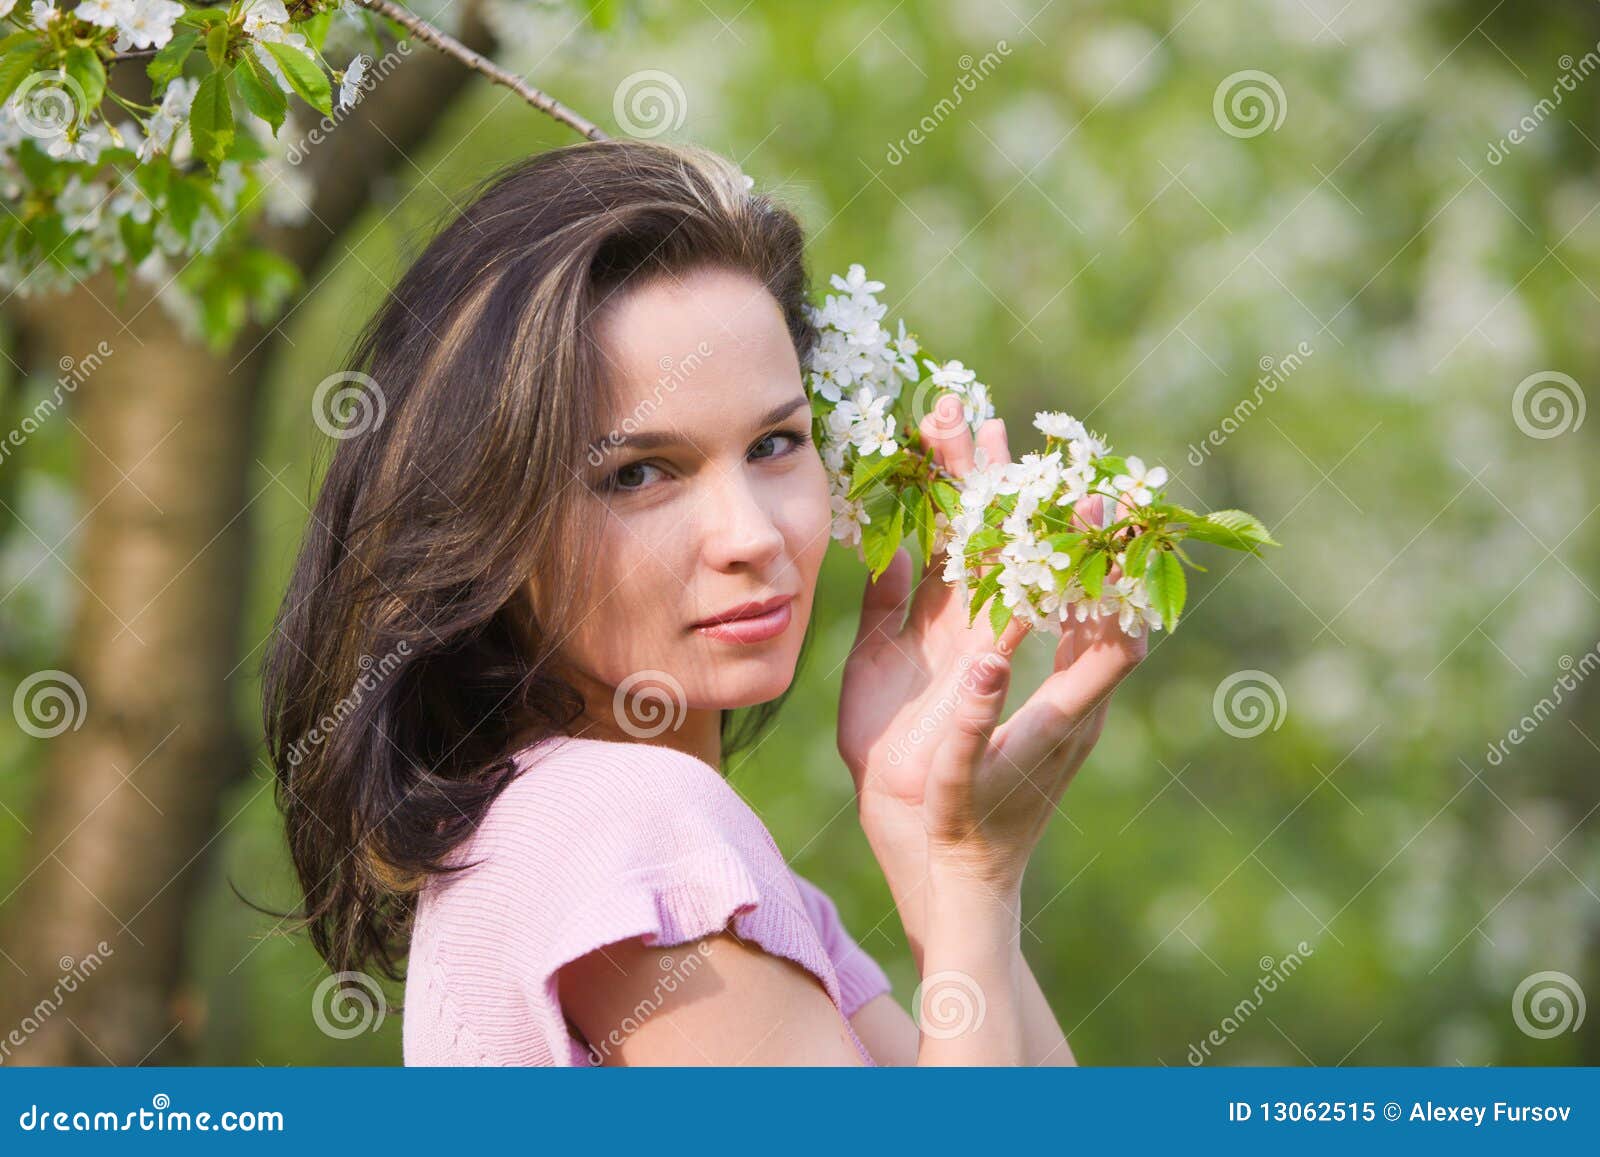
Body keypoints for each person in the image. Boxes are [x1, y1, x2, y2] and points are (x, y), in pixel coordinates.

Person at [261, 138, 1146, 1065]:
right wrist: (971, 875)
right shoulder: (631, 828)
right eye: (639, 473)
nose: (751, 536)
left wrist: (926, 830)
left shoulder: (665, 860)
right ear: (491, 520)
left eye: (774, 445)